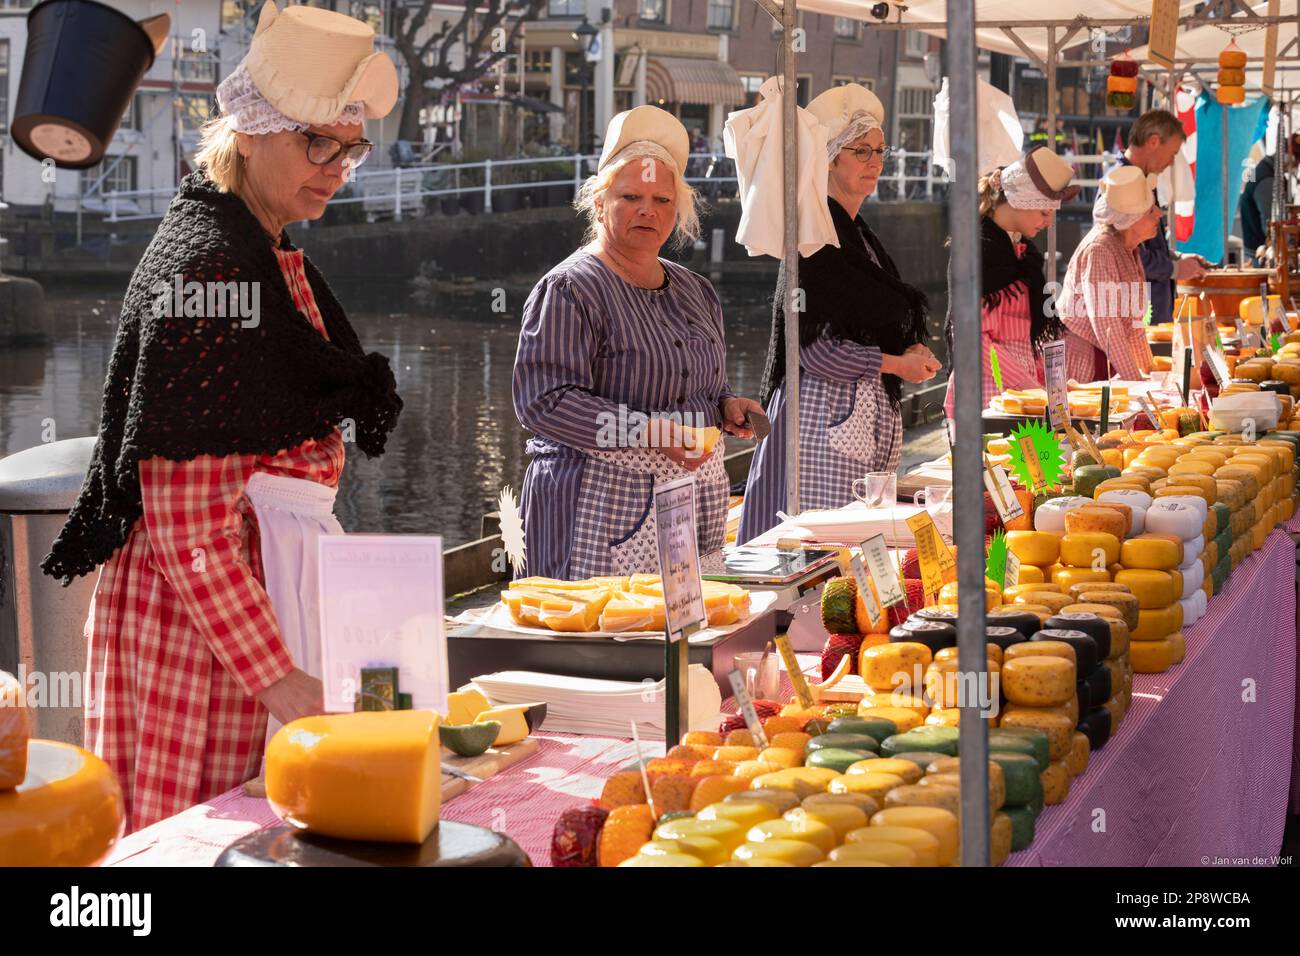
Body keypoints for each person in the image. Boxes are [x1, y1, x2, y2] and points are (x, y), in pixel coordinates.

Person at [39, 3, 404, 831]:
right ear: (248, 130)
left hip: (253, 604)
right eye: (318, 141)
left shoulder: (260, 247)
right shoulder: (208, 269)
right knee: (200, 836)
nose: (337, 166)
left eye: (350, 146)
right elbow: (187, 525)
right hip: (199, 638)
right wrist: (279, 677)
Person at [513, 105, 763, 579]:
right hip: (599, 502)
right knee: (600, 642)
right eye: (631, 196)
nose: (648, 210)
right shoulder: (570, 289)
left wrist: (726, 406)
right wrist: (647, 431)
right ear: (598, 204)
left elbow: (705, 385)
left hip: (689, 500)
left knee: (678, 643)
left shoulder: (695, 289)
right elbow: (543, 403)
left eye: (662, 200)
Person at [739, 85, 939, 543]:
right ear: (829, 159)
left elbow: (873, 320)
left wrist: (907, 349)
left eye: (880, 151)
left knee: (853, 543)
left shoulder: (857, 237)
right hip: (820, 421)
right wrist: (896, 364)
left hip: (859, 418)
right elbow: (813, 350)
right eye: (861, 150)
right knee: (822, 546)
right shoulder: (815, 240)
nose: (875, 161)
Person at [943, 147, 1080, 416]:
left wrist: (1053, 384)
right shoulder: (978, 250)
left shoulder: (1024, 256)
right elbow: (971, 338)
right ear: (1020, 201)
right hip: (987, 394)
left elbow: (1031, 336)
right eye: (1044, 212)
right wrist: (1029, 387)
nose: (1049, 221)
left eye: (1052, 212)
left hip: (1023, 392)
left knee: (1036, 459)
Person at [1059, 165, 1162, 382]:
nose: (1159, 215)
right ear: (1132, 219)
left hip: (1106, 359)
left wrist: (1149, 373)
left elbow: (1135, 326)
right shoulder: (1100, 249)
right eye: (1151, 210)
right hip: (1083, 365)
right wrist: (1137, 381)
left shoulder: (1128, 247)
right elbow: (1108, 327)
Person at [1119, 109, 1208, 323]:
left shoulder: (1142, 179)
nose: (1170, 162)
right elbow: (1125, 255)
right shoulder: (1120, 184)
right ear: (1153, 142)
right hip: (1135, 318)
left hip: (1150, 315)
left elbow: (1144, 246)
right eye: (1173, 153)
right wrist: (1175, 268)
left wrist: (1176, 258)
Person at [1240, 133, 1300, 265]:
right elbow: (1270, 225)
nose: (1297, 165)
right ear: (1287, 155)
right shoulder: (1267, 180)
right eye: (1296, 160)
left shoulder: (1267, 171)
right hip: (1261, 252)